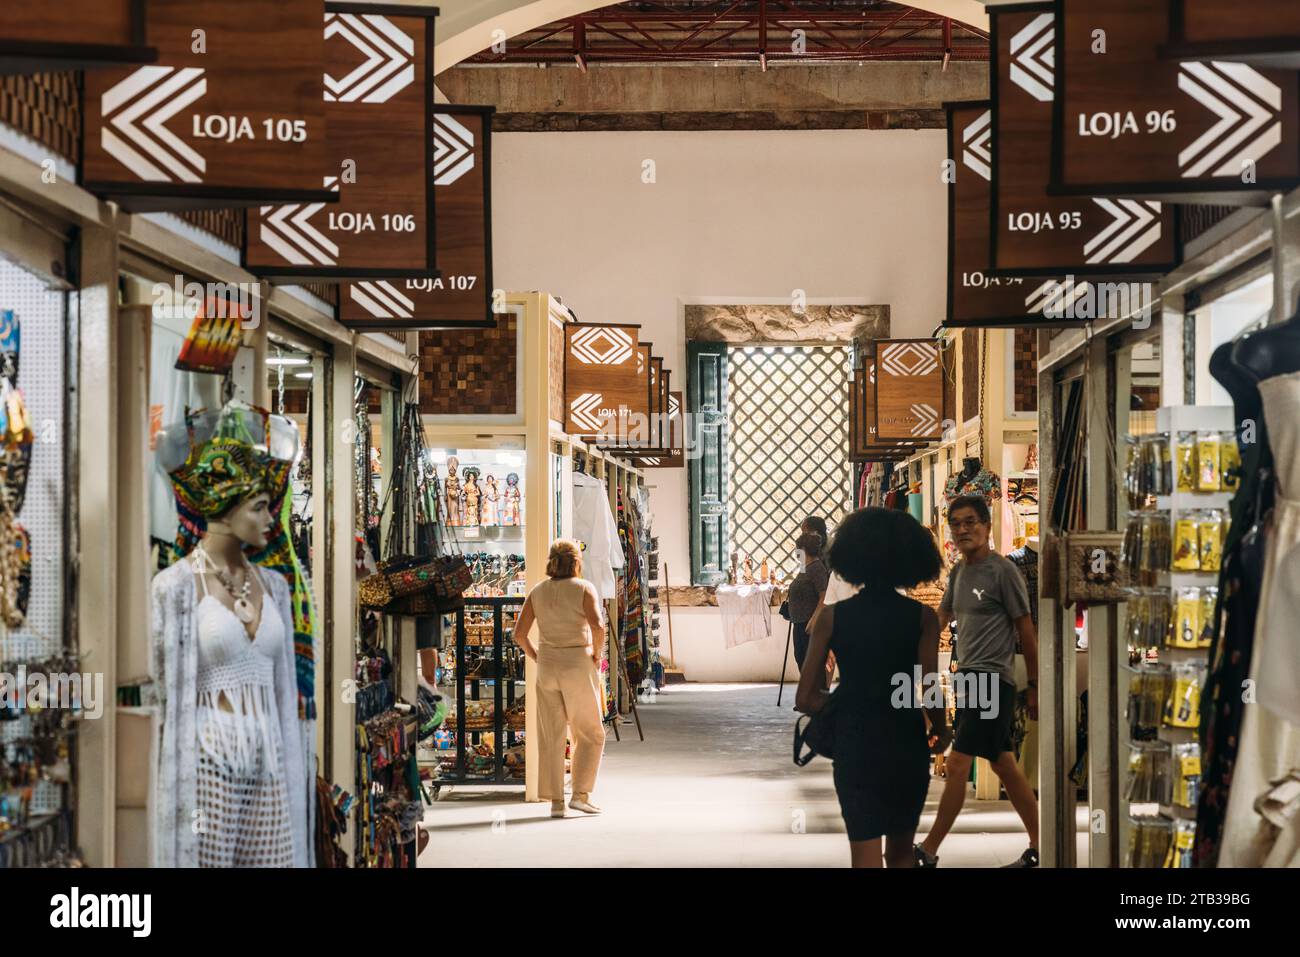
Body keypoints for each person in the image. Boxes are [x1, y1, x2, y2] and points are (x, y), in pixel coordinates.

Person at [796, 508, 951, 869]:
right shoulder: (922, 618)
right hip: (905, 742)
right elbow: (929, 689)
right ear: (909, 559)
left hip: (856, 744)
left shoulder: (833, 618)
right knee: (900, 855)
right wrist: (941, 731)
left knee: (863, 856)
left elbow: (805, 697)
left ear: (851, 557)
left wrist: (843, 705)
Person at [914, 494, 1041, 868]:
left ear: (986, 526)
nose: (963, 529)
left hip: (994, 682)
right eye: (957, 523)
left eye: (971, 522)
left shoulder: (1004, 572)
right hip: (969, 680)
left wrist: (1033, 685)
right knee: (1004, 764)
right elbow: (942, 615)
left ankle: (929, 850)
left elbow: (1026, 629)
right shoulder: (959, 573)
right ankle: (1040, 845)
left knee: (956, 765)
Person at [512, 540, 608, 818]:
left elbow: (519, 633)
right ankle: (580, 794)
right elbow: (597, 626)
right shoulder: (583, 588)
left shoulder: (538, 591)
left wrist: (536, 656)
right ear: (577, 562)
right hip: (578, 662)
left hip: (548, 665)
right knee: (589, 732)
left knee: (552, 734)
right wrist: (596, 654)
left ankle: (556, 802)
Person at [786, 529, 829, 668]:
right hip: (799, 622)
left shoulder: (817, 568)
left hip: (808, 625)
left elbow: (824, 597)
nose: (795, 552)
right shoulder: (805, 568)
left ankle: (814, 690)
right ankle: (807, 690)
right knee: (801, 660)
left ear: (803, 549)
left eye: (797, 549)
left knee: (810, 664)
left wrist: (813, 621)